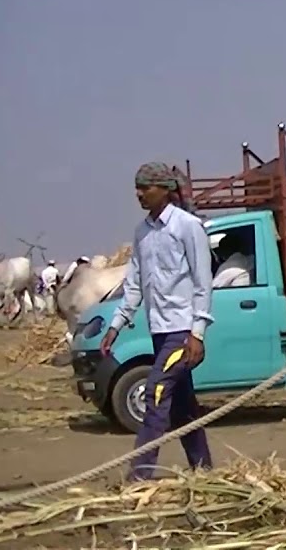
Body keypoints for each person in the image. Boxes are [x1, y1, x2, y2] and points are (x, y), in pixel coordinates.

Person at [100, 162, 213, 482]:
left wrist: (198, 333)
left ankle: (139, 476)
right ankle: (204, 471)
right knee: (182, 407)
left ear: (165, 189)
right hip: (158, 330)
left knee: (156, 392)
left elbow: (203, 284)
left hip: (181, 331)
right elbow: (134, 284)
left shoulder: (188, 227)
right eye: (136, 187)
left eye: (146, 187)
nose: (139, 194)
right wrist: (116, 325)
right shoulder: (142, 233)